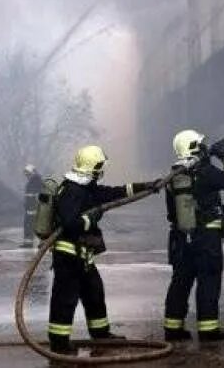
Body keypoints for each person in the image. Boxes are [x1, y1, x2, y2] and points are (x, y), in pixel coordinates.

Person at [47, 145, 163, 354]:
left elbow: (113, 192)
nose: (102, 170)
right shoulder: (72, 190)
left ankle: (100, 334)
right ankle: (58, 343)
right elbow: (69, 223)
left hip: (82, 256)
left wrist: (146, 186)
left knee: (94, 293)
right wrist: (91, 217)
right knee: (65, 300)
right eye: (100, 166)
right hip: (68, 256)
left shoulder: (86, 188)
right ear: (92, 166)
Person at [162, 130, 224, 342]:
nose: (204, 147)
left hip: (181, 238)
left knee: (180, 281)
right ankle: (208, 330)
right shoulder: (204, 171)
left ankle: (173, 328)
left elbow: (172, 212)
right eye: (200, 144)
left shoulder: (175, 174)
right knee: (208, 280)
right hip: (206, 238)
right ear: (193, 148)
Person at [22, 164, 42, 248]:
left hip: (33, 209)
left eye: (28, 174)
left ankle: (34, 243)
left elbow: (35, 196)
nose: (27, 176)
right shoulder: (33, 181)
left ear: (32, 173)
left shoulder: (35, 182)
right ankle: (28, 243)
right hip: (30, 209)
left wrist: (31, 207)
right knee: (29, 226)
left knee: (32, 226)